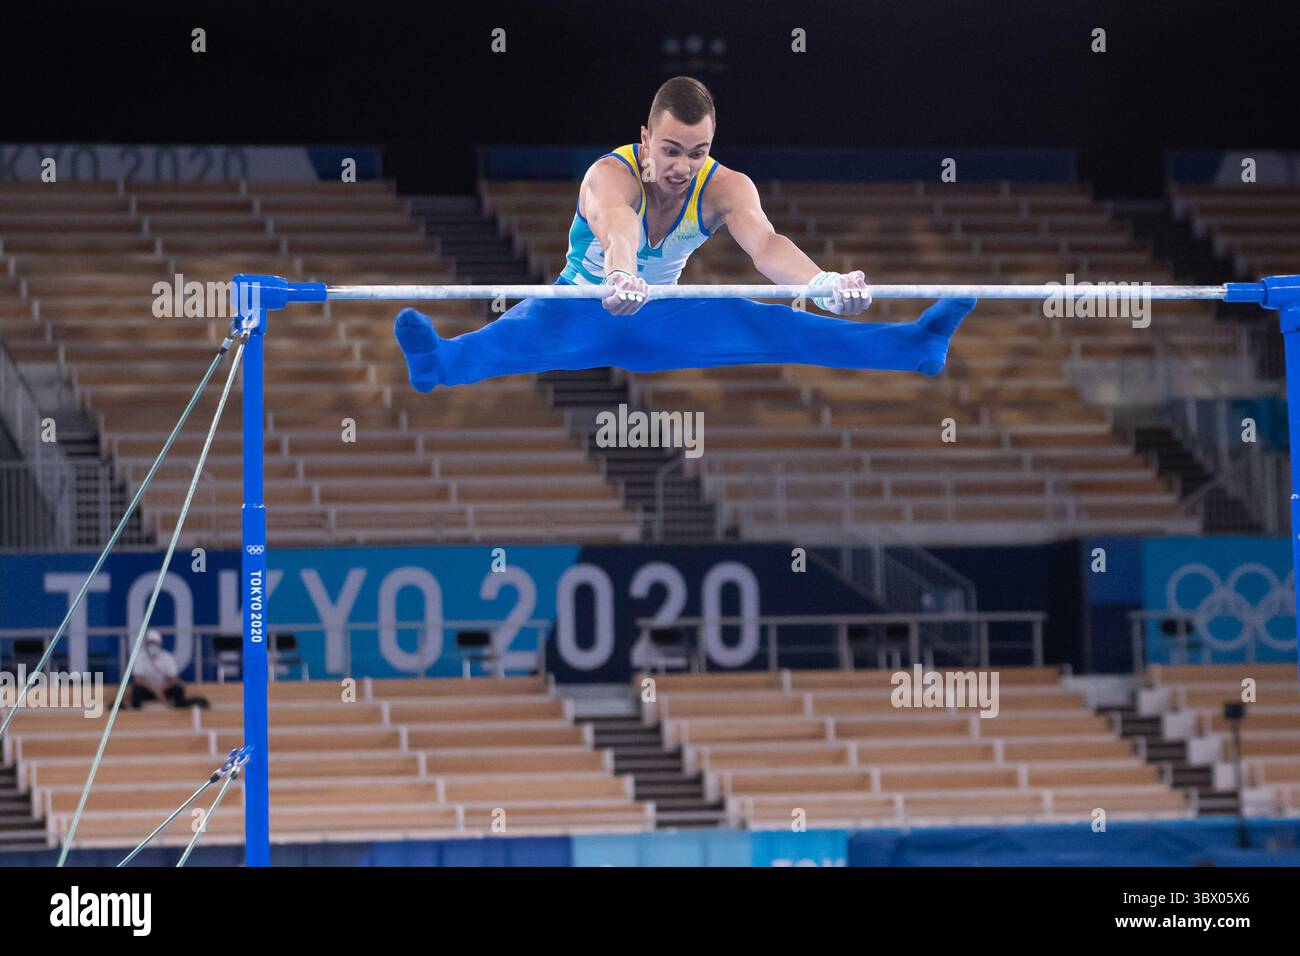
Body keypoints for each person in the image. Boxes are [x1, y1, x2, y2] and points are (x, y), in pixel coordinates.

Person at [395, 75, 975, 391]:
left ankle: (915, 346)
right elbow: (617, 225)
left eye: (697, 153)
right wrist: (620, 273)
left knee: (774, 322)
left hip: (666, 316)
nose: (682, 167)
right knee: (513, 333)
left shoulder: (725, 188)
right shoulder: (607, 175)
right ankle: (437, 365)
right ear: (644, 139)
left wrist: (823, 283)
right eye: (670, 150)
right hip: (584, 304)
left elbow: (767, 246)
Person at [129, 629, 209, 709]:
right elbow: (138, 678)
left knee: (178, 689)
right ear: (146, 644)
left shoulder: (167, 657)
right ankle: (136, 713)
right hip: (148, 689)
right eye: (150, 643)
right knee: (136, 690)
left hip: (165, 689)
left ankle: (180, 709)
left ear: (159, 644)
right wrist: (155, 690)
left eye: (154, 643)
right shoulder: (140, 657)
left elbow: (174, 678)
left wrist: (161, 689)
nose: (152, 645)